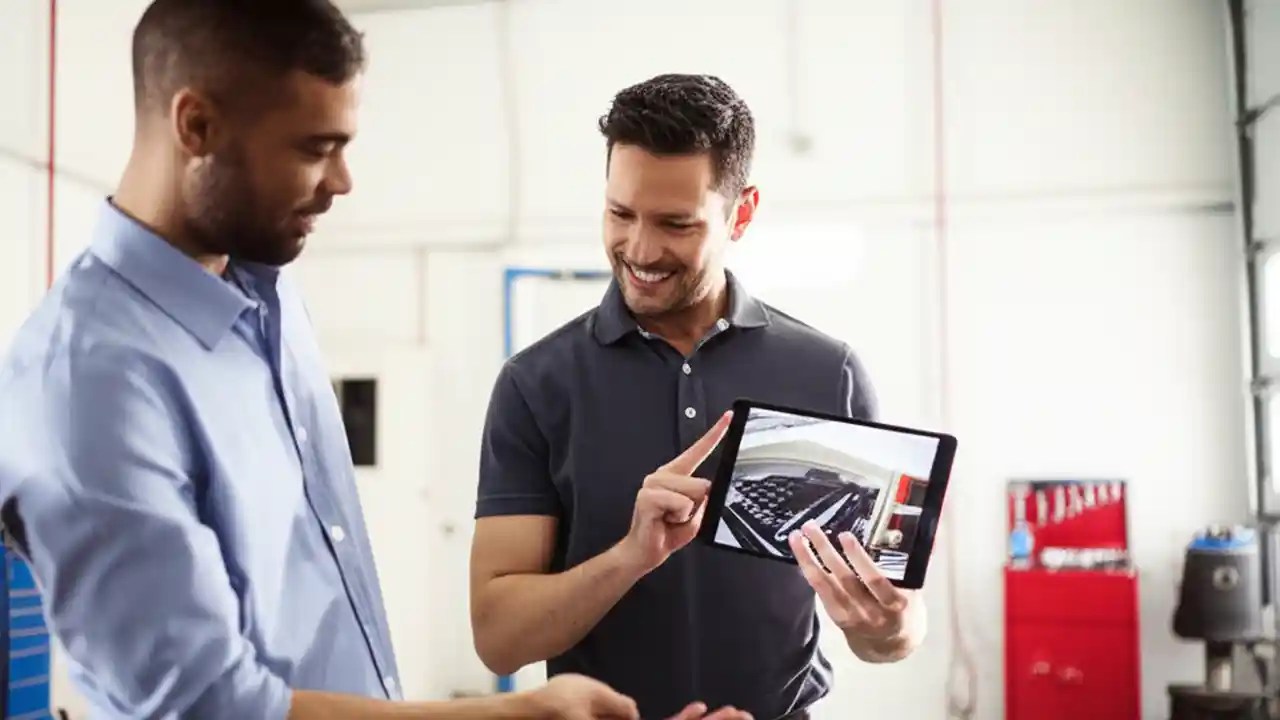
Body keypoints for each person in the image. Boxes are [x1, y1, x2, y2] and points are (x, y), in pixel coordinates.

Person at [0, 3, 739, 719]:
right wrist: (524, 717)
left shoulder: (270, 299)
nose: (343, 181)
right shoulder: (86, 380)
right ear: (196, 125)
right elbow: (209, 706)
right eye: (315, 148)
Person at [469, 73, 928, 720]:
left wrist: (888, 624)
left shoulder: (829, 374)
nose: (641, 250)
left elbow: (891, 633)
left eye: (676, 224)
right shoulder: (535, 385)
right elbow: (498, 640)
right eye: (620, 214)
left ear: (741, 212)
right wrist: (631, 557)